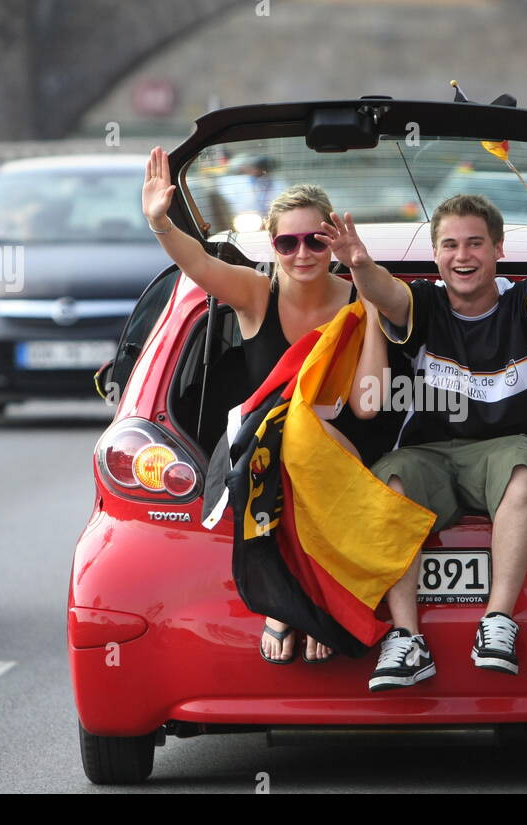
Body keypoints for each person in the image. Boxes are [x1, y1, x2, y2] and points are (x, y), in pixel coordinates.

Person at [318, 192, 527, 690]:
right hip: (430, 455)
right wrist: (359, 264)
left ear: (498, 249)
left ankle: (497, 622)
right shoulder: (424, 303)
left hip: (508, 449)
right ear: (436, 255)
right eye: (451, 245)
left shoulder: (523, 301)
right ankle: (407, 639)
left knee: (522, 469)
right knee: (389, 479)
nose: (463, 256)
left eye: (476, 243)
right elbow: (386, 293)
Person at [142, 146, 376, 664]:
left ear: (332, 239)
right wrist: (161, 222)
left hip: (348, 441)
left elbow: (376, 392)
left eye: (315, 240)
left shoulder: (362, 297)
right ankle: (288, 603)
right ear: (271, 247)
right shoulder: (255, 293)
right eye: (287, 242)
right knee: (288, 445)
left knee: (319, 451)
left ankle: (312, 605)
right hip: (262, 446)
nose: (302, 253)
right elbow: (199, 263)